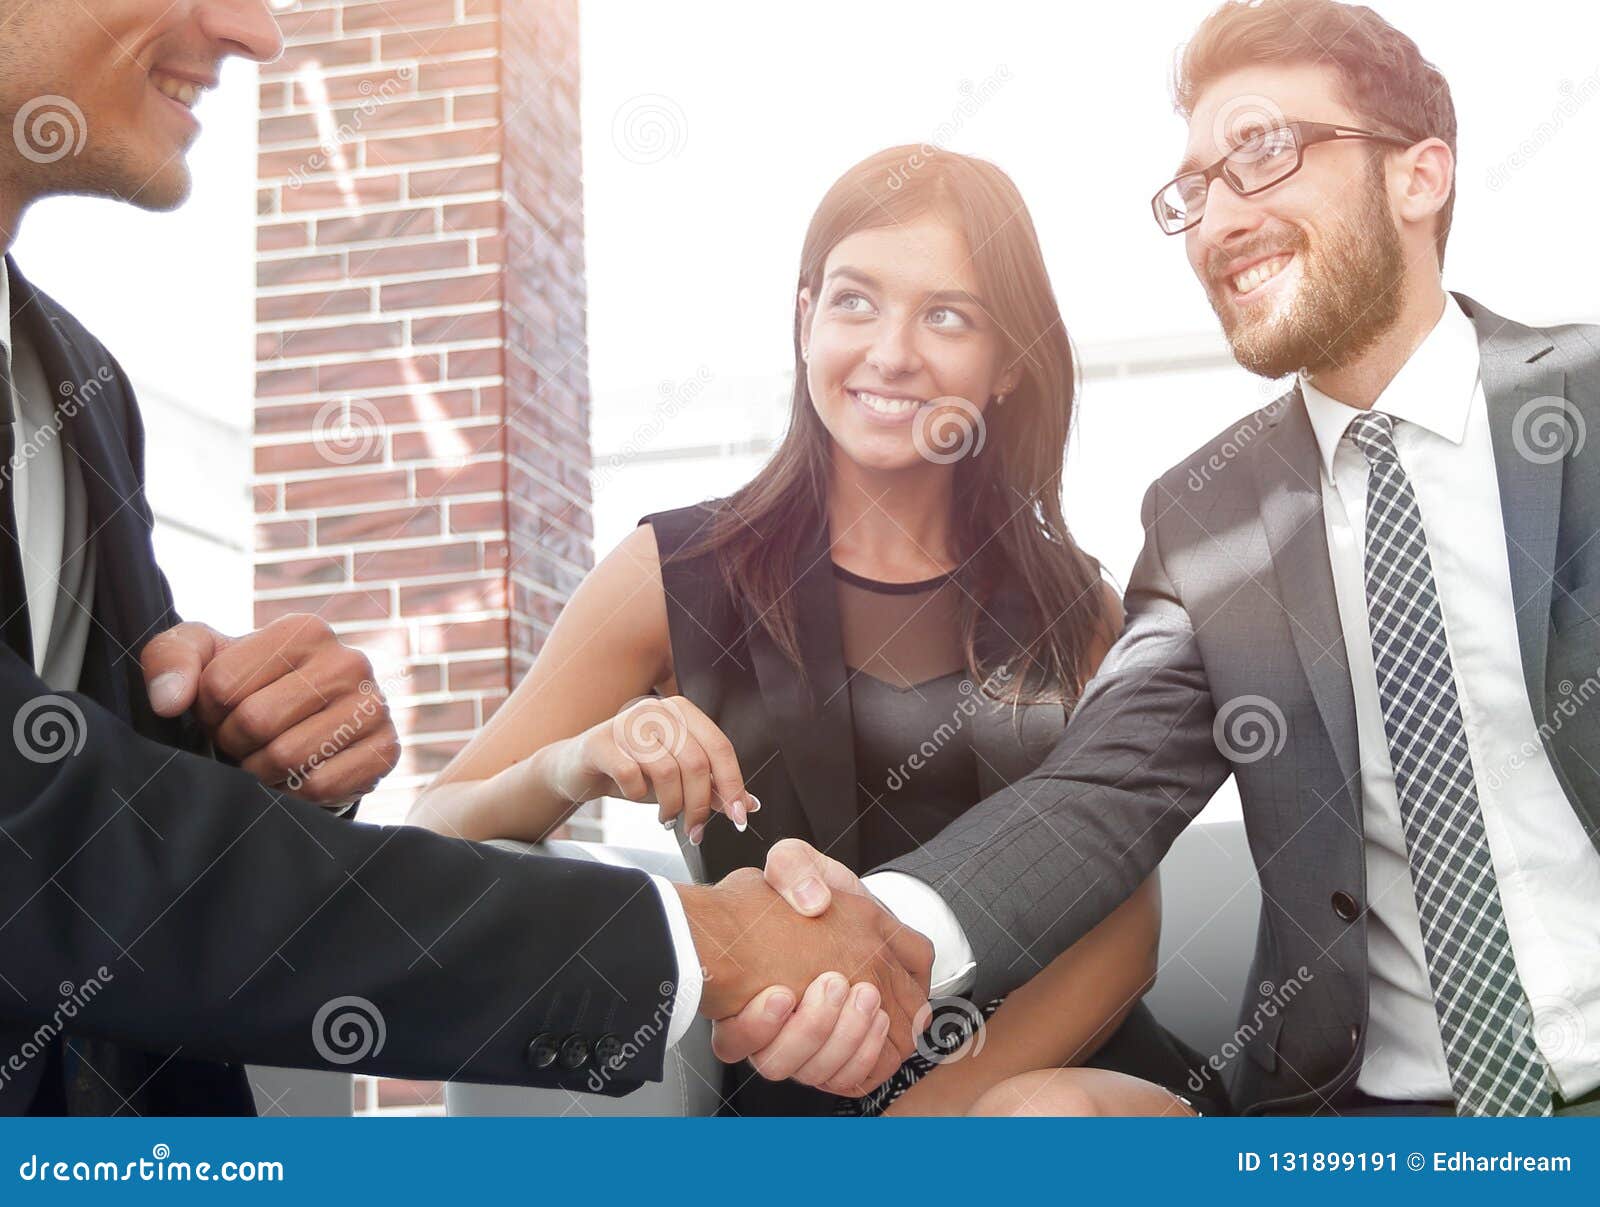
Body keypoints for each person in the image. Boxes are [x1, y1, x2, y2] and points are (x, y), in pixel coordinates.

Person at [0, 0, 929, 1116]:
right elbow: (47, 836)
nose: (256, 30)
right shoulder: (677, 566)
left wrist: (229, 759)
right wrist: (698, 938)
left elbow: (106, 855)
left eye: (952, 317)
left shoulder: (74, 383)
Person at [723, 0, 1600, 1117]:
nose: (1216, 220)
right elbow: (1100, 793)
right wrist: (880, 938)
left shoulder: (1578, 399)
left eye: (1262, 155)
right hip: (1360, 1127)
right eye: (1192, 191)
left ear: (1418, 178)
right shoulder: (1205, 514)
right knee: (1039, 1126)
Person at [410, 146, 1227, 1116]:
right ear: (804, 321)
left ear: (1006, 362)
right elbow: (431, 830)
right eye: (853, 301)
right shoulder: (667, 576)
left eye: (947, 315)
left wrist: (915, 1135)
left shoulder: (1077, 604)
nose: (890, 352)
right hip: (797, 1099)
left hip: (1053, 1085)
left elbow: (1121, 937)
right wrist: (575, 765)